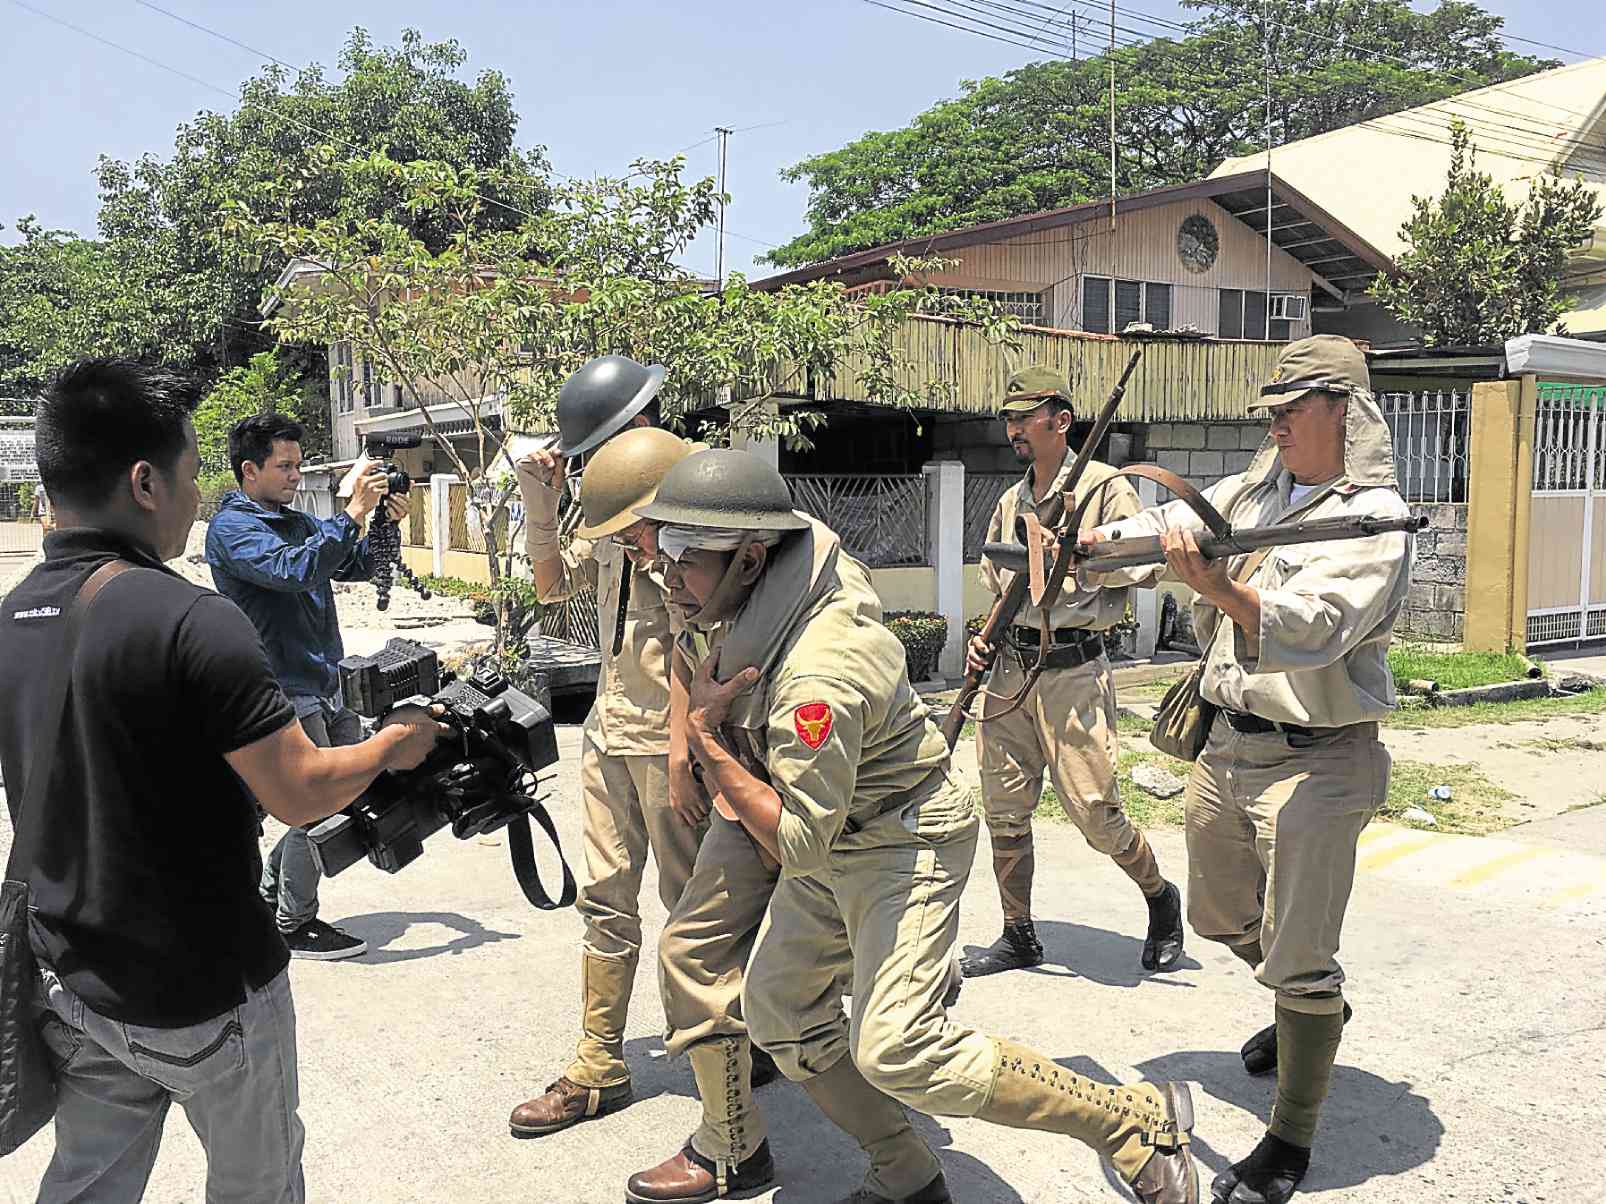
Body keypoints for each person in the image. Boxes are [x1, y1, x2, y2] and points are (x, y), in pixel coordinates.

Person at [625, 448, 1200, 1204]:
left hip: (904, 838)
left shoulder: (817, 675)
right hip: (844, 829)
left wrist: (702, 737)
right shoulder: (773, 583)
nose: (668, 573)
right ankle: (904, 1170)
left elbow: (798, 844)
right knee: (781, 1011)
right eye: (662, 549)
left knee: (901, 1046)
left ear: (752, 558)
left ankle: (1132, 1120)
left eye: (684, 556)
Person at [0, 359, 444, 1203]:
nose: (195, 496)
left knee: (85, 1188)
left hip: (79, 985)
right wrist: (396, 743)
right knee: (259, 1186)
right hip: (207, 990)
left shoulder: (13, 616)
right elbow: (301, 791)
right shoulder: (192, 618)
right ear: (143, 482)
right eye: (192, 474)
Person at [1082, 335, 1412, 1204]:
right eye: (1271, 406)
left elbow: (1316, 625)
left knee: (1300, 956)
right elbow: (1174, 525)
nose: (1274, 420)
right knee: (1222, 914)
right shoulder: (1257, 485)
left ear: (1343, 409)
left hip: (1319, 760)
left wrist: (1225, 591)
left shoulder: (1376, 516)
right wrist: (1094, 540)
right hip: (1228, 745)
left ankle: (1290, 1137)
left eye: (1291, 406)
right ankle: (1311, 1012)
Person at [507, 356, 743, 1138]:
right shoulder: (610, 509)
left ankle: (729, 1070)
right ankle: (598, 1064)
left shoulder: (696, 507)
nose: (581, 466)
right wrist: (541, 500)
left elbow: (701, 640)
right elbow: (551, 586)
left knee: (692, 916)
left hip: (671, 745)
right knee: (604, 902)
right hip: (610, 734)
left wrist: (685, 755)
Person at [963, 364, 1183, 979]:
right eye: (1007, 418)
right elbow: (999, 587)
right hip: (1010, 669)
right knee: (1003, 805)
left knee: (1094, 811)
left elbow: (1145, 563)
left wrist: (1085, 550)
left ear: (1061, 421)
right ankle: (1019, 932)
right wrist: (983, 642)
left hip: (1073, 671)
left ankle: (1160, 897)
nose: (1013, 429)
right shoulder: (1010, 503)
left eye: (1023, 417)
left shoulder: (1105, 489)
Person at [206, 413, 407, 961]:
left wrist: (384, 524)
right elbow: (292, 570)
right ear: (249, 470)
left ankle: (274, 903)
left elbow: (356, 565)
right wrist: (352, 513)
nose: (297, 475)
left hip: (325, 678)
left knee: (340, 794)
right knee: (314, 803)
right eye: (285, 466)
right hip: (279, 686)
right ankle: (293, 921)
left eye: (298, 464)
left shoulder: (297, 522)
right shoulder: (232, 530)